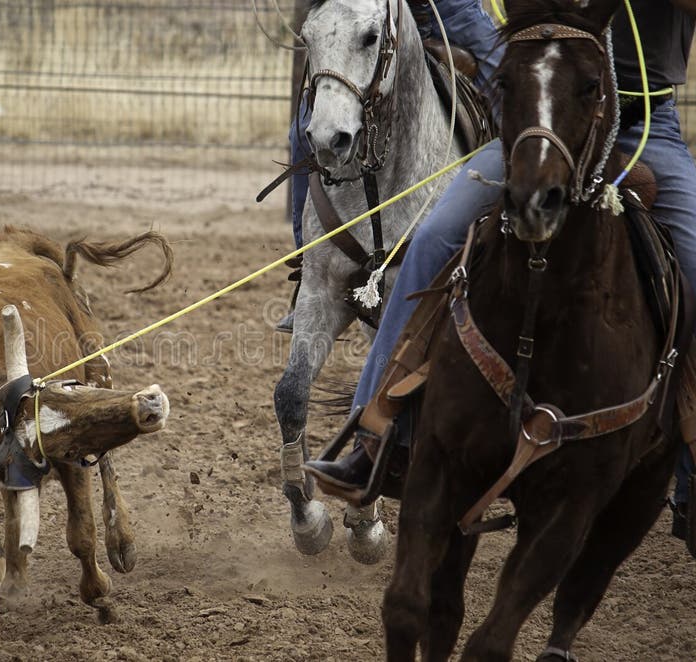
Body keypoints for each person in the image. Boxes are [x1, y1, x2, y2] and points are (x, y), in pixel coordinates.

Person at [304, 0, 696, 544]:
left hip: (642, 121)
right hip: (542, 116)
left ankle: (690, 477)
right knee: (434, 239)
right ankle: (372, 439)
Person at [275, 0, 504, 333]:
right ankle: (310, 267)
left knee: (512, 104)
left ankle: (516, 241)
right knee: (303, 133)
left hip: (450, 11)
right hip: (372, 13)